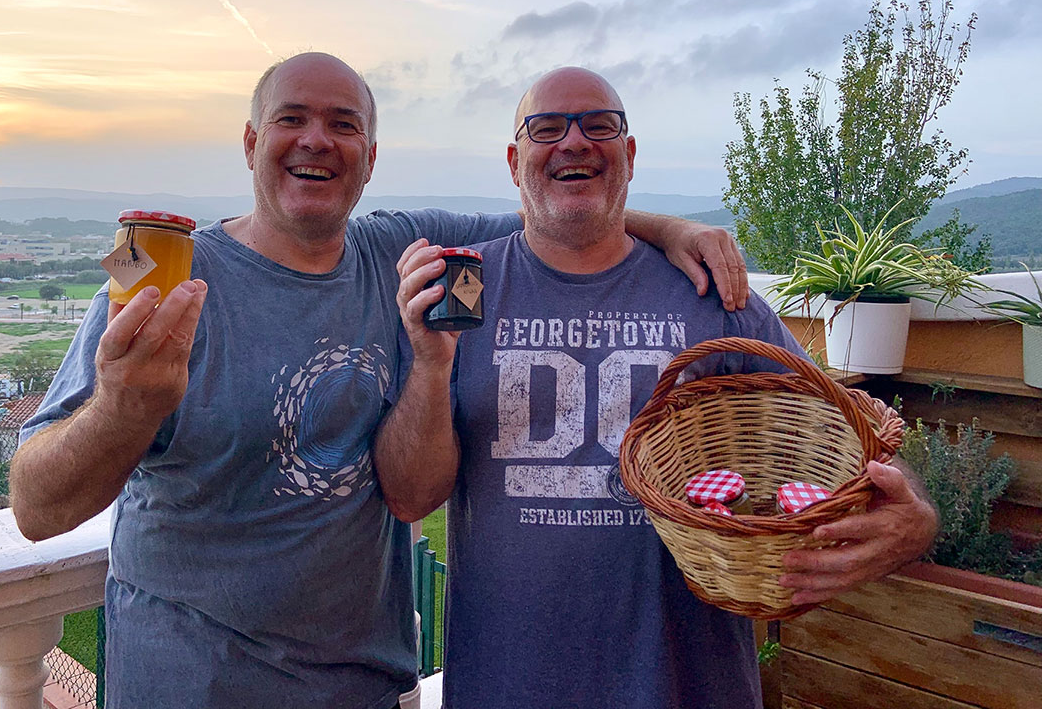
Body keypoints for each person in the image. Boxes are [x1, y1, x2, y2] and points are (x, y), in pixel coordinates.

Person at [9, 52, 751, 709]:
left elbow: (551, 207)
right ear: (250, 143)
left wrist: (672, 229)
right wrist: (121, 406)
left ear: (368, 157)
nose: (316, 140)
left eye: (343, 124)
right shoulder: (172, 283)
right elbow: (36, 508)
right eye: (291, 119)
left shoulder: (394, 246)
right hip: (188, 688)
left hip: (364, 688)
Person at [375, 67, 940, 708]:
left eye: (600, 126)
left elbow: (853, 439)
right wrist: (428, 365)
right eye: (547, 128)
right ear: (514, 160)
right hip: (507, 687)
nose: (574, 142)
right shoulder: (466, 292)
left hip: (691, 688)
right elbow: (411, 498)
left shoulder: (713, 294)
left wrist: (913, 519)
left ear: (631, 154)